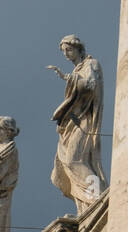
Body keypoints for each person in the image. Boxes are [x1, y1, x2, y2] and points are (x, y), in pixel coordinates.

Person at [48, 35, 107, 212]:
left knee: (75, 160)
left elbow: (91, 85)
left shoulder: (92, 64)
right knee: (66, 164)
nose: (66, 54)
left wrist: (70, 79)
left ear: (78, 48)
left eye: (69, 49)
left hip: (84, 122)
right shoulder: (76, 71)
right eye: (64, 51)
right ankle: (85, 207)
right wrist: (69, 77)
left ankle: (98, 198)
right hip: (70, 124)